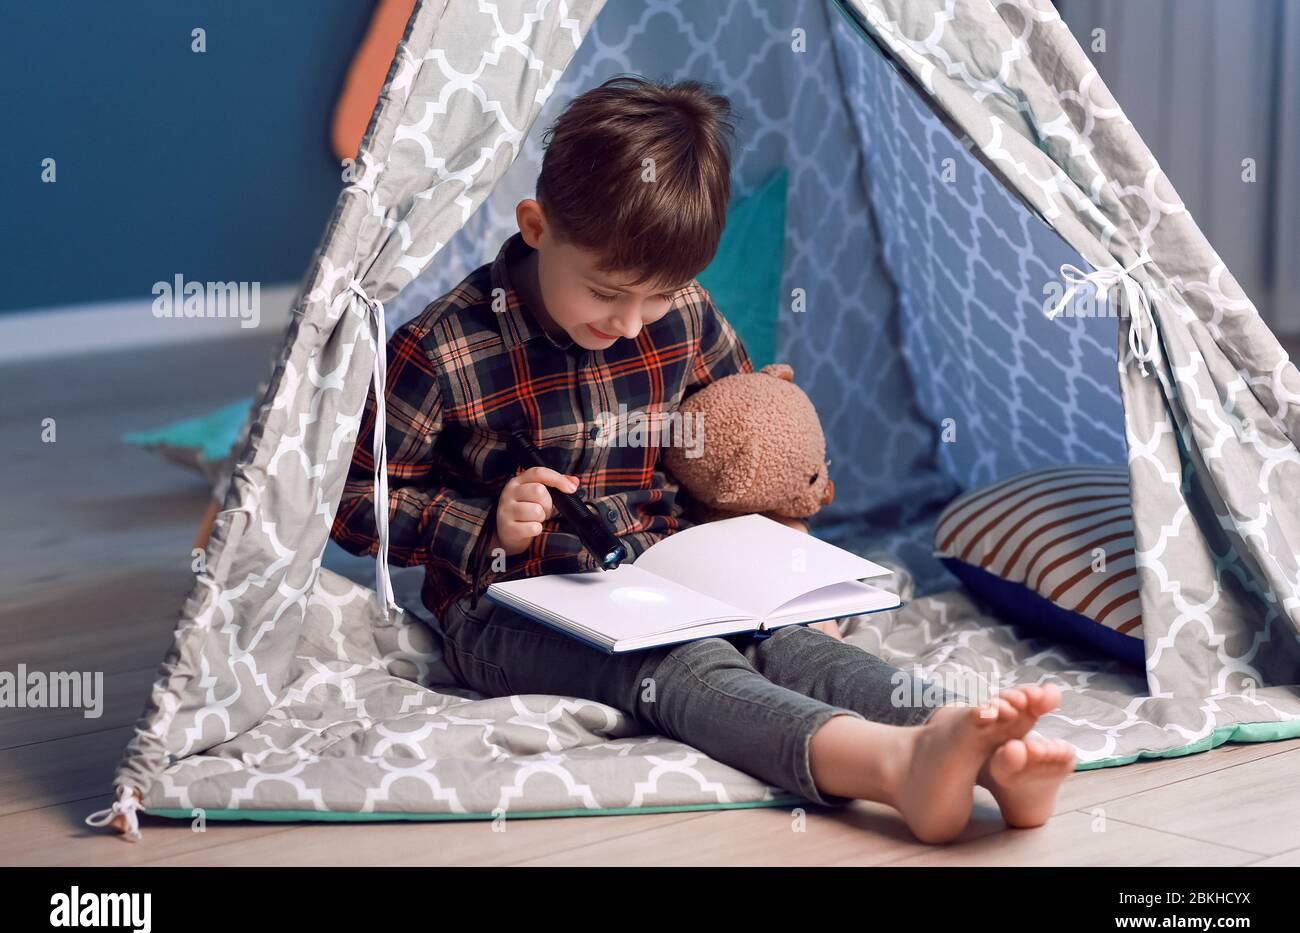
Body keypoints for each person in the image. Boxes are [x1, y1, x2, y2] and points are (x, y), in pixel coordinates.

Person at [330, 75, 1074, 844]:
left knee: (790, 644)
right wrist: (486, 522)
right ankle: (893, 767)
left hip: (670, 575)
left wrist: (778, 544)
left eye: (654, 299)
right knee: (680, 667)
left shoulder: (682, 314)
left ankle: (976, 743)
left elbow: (738, 436)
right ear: (536, 225)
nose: (628, 324)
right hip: (508, 605)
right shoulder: (441, 346)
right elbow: (354, 502)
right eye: (606, 293)